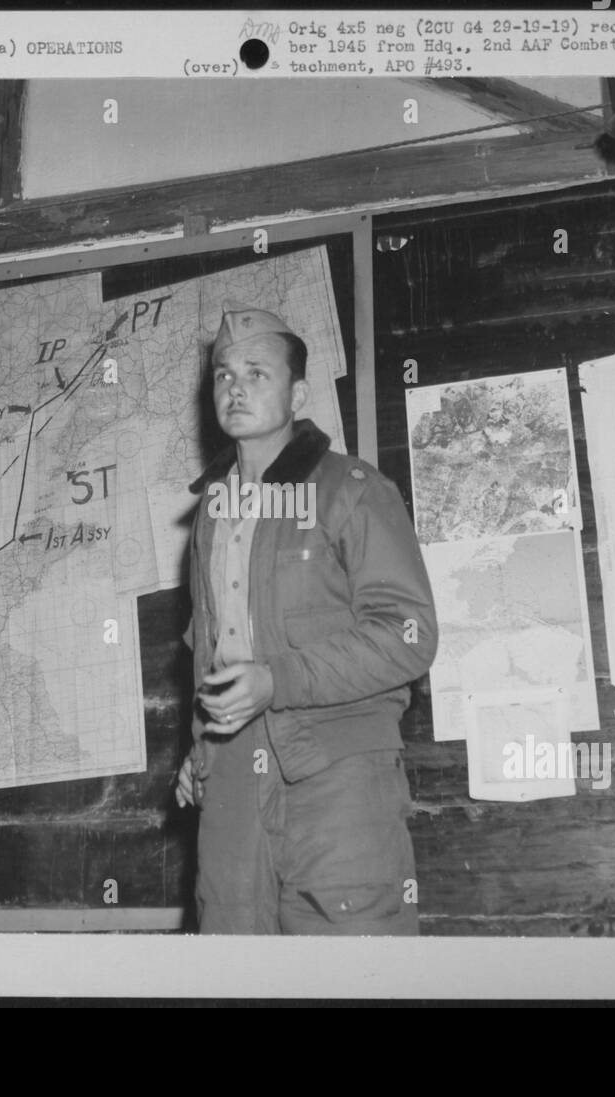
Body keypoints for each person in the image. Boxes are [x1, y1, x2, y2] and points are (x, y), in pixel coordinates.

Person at [175, 303, 438, 935]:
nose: (234, 387)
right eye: (223, 374)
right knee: (234, 969)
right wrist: (201, 748)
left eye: (256, 373)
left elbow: (411, 635)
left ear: (297, 391)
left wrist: (277, 680)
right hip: (233, 778)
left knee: (347, 969)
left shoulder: (353, 490)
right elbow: (211, 648)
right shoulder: (212, 514)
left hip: (336, 776)